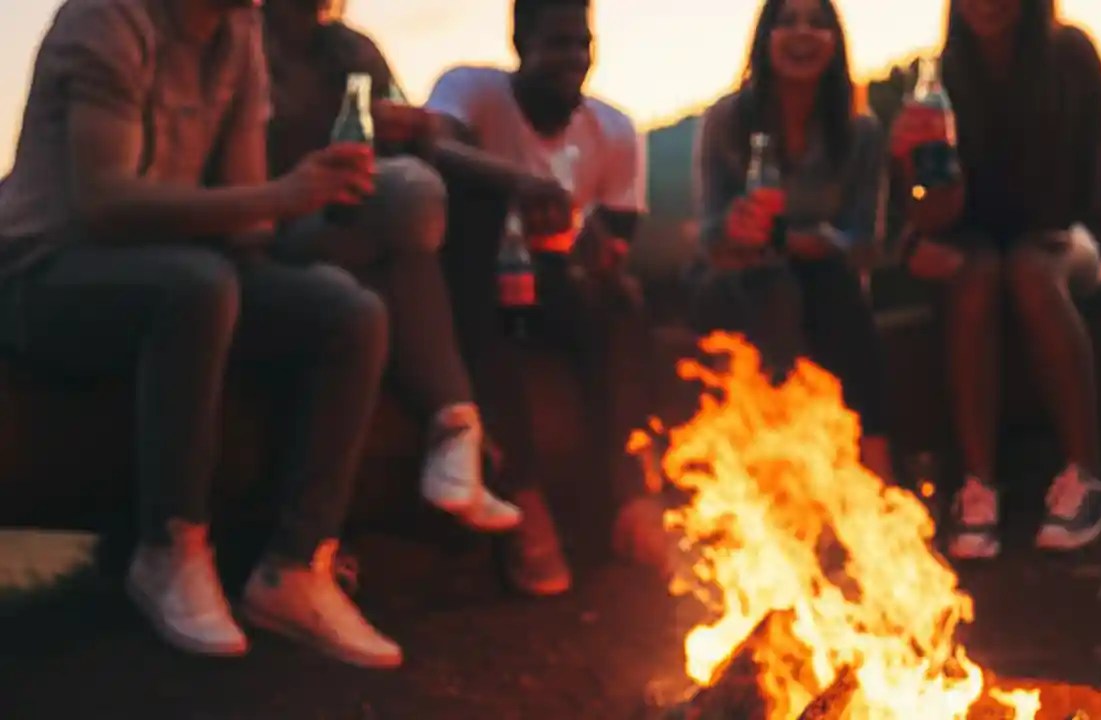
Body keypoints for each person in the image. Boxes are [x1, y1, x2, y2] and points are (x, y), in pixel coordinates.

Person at [0, 0, 400, 667]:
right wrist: (281, 197)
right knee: (197, 285)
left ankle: (296, 566)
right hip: (43, 273)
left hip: (177, 269)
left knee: (348, 313)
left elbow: (246, 222)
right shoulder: (107, 20)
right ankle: (169, 547)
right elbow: (104, 204)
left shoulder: (236, 33)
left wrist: (317, 208)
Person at [424, 0, 668, 596]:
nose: (574, 59)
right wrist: (519, 185)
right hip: (479, 279)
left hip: (558, 280)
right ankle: (525, 500)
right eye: (559, 44)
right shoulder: (471, 89)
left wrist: (598, 253)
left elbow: (617, 239)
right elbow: (434, 147)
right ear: (521, 43)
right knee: (479, 226)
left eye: (583, 44)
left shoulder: (612, 129)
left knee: (625, 304)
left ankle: (631, 496)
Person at [261, 0, 521, 533]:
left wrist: (413, 130)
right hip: (266, 223)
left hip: (347, 221)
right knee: (409, 203)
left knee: (413, 231)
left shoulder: (350, 50)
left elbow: (413, 137)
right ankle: (455, 432)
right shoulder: (241, 43)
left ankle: (457, 433)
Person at [889, 0, 1101, 559]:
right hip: (985, 251)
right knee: (977, 275)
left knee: (1029, 268)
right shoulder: (941, 78)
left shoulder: (1069, 55)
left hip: (1066, 235)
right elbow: (933, 214)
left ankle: (1087, 476)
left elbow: (1075, 194)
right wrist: (916, 176)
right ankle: (978, 488)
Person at [692, 0, 896, 483]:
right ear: (765, 40)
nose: (802, 33)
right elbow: (708, 234)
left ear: (835, 43)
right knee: (775, 286)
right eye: (787, 22)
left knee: (834, 289)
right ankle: (780, 474)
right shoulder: (727, 120)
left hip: (826, 277)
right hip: (737, 276)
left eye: (817, 23)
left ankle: (877, 470)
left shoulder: (860, 132)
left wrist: (821, 241)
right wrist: (734, 228)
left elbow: (867, 243)